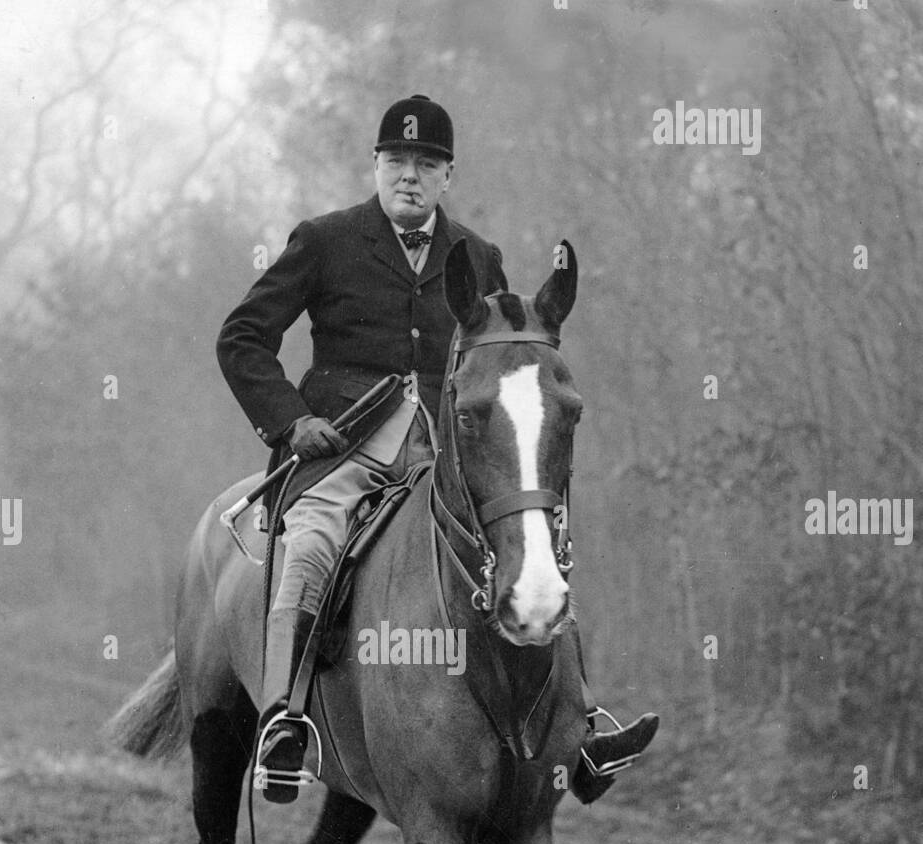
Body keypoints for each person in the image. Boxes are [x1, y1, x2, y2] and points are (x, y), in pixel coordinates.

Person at [217, 94, 657, 802]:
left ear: (446, 175)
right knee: (308, 546)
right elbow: (240, 339)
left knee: (533, 545)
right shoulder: (324, 240)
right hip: (344, 448)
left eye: (426, 164)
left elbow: (503, 361)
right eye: (397, 161)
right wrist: (290, 420)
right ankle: (284, 720)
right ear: (376, 166)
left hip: (445, 453)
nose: (409, 176)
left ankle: (575, 732)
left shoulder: (478, 257)